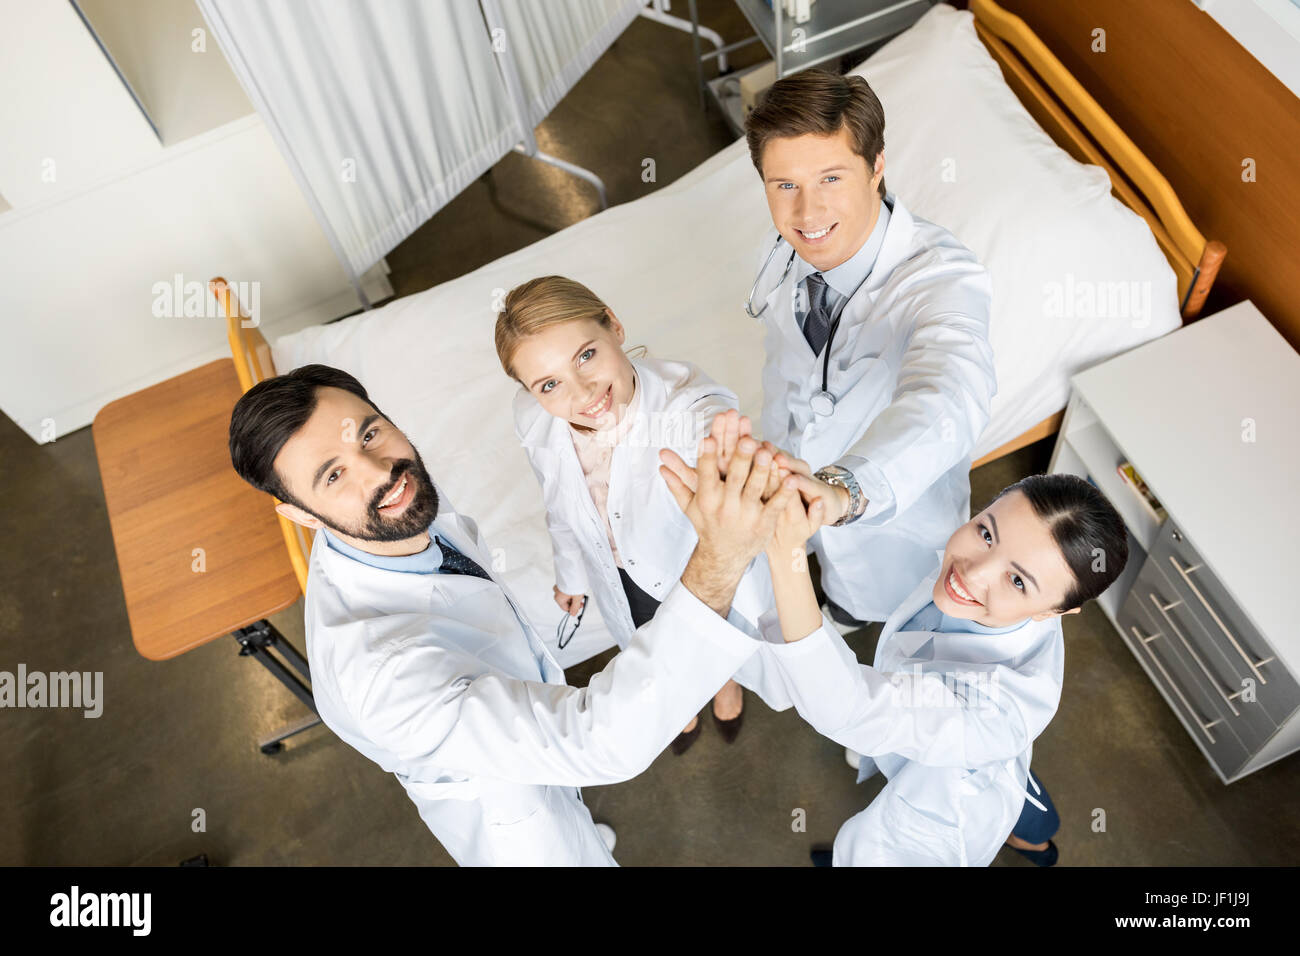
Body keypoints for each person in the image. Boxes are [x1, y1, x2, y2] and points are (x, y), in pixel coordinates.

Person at [227, 363, 803, 865]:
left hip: (528, 731)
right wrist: (719, 559)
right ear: (301, 516)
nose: (378, 470)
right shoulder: (380, 678)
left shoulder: (397, 502)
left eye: (370, 433)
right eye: (333, 476)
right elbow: (600, 741)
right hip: (519, 830)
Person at [753, 470, 1128, 866]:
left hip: (949, 805)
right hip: (972, 744)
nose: (971, 572)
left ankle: (1038, 846)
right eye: (986, 533)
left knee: (1004, 793)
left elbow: (846, 708)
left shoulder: (993, 710)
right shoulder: (1027, 589)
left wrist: (785, 554)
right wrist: (838, 498)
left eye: (1017, 580)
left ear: (1057, 612)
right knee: (1012, 771)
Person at [743, 68, 997, 631]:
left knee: (873, 598)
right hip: (796, 473)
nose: (806, 214)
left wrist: (844, 491)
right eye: (784, 185)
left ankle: (857, 614)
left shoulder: (940, 280)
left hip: (884, 510)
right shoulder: (788, 243)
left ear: (876, 166)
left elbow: (950, 396)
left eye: (830, 178)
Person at [498, 276, 780, 752]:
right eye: (549, 384)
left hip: (691, 573)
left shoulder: (685, 405)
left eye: (586, 355)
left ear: (615, 325)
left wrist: (736, 460)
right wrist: (571, 576)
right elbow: (559, 506)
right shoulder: (534, 419)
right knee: (652, 652)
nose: (584, 393)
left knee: (710, 647)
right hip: (621, 581)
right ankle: (682, 706)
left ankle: (725, 685)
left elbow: (709, 421)